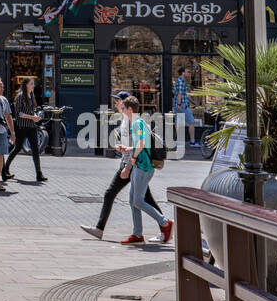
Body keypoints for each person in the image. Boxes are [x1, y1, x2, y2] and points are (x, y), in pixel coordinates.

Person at [81, 91, 161, 240]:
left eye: (119, 102)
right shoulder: (128, 120)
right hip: (135, 164)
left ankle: (163, 224)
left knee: (123, 196)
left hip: (135, 165)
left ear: (128, 105)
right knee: (140, 200)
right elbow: (135, 145)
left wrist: (128, 165)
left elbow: (140, 144)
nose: (117, 104)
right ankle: (145, 232)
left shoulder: (133, 121)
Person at [117, 94, 173, 245]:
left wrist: (132, 158)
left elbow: (141, 143)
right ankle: (137, 234)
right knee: (132, 200)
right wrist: (128, 149)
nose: (121, 111)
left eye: (123, 108)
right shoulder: (139, 123)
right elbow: (141, 144)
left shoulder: (137, 124)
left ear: (129, 109)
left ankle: (165, 223)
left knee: (138, 201)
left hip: (143, 167)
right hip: (139, 166)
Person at [3, 76, 47, 182]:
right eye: (31, 83)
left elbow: (31, 111)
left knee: (35, 149)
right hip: (21, 126)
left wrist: (36, 116)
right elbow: (19, 113)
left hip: (31, 126)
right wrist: (32, 117)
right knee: (17, 148)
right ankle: (5, 168)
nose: (33, 85)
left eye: (33, 84)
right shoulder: (20, 97)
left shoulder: (31, 96)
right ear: (26, 85)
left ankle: (39, 173)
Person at [173, 67, 198, 145]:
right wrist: (179, 104)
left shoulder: (182, 81)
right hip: (182, 105)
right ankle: (192, 141)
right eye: (187, 72)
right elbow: (179, 94)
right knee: (191, 122)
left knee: (179, 123)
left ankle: (179, 141)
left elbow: (185, 95)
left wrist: (193, 102)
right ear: (183, 73)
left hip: (180, 105)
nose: (188, 73)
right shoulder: (180, 82)